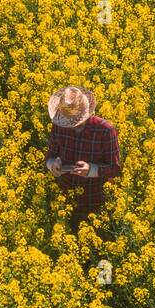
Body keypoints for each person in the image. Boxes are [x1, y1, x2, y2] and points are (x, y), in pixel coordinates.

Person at [44, 85, 122, 231]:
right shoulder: (58, 124)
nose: (70, 125)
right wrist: (52, 164)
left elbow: (115, 168)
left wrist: (91, 170)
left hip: (95, 200)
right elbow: (50, 155)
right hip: (64, 198)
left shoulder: (105, 130)